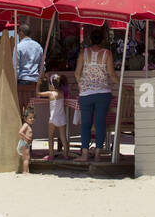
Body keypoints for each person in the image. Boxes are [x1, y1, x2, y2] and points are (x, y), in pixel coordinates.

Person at [75, 33, 114, 162]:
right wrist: (121, 83)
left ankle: (85, 154)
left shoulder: (83, 53)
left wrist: (81, 85)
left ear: (90, 40)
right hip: (103, 93)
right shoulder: (107, 54)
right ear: (102, 40)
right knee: (100, 124)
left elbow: (77, 73)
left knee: (85, 124)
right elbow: (111, 74)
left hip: (86, 94)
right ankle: (97, 153)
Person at [36, 73, 69, 160]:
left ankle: (51, 155)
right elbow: (54, 85)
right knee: (63, 138)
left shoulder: (50, 93)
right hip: (62, 118)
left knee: (50, 137)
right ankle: (66, 155)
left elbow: (38, 93)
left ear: (51, 85)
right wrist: (49, 79)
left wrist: (38, 84)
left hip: (53, 118)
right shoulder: (61, 93)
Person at [14, 23, 44, 107]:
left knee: (21, 108)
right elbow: (42, 66)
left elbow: (16, 67)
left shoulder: (18, 47)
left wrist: (14, 82)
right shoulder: (38, 46)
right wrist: (40, 79)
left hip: (22, 81)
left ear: (21, 33)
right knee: (33, 108)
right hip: (35, 81)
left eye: (18, 32)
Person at [18, 107, 36, 173]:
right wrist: (27, 138)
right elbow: (20, 132)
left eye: (33, 117)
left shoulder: (28, 125)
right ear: (25, 119)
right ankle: (25, 172)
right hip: (24, 143)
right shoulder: (25, 125)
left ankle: (26, 171)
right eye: (30, 118)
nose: (32, 119)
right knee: (26, 158)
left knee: (26, 158)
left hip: (26, 144)